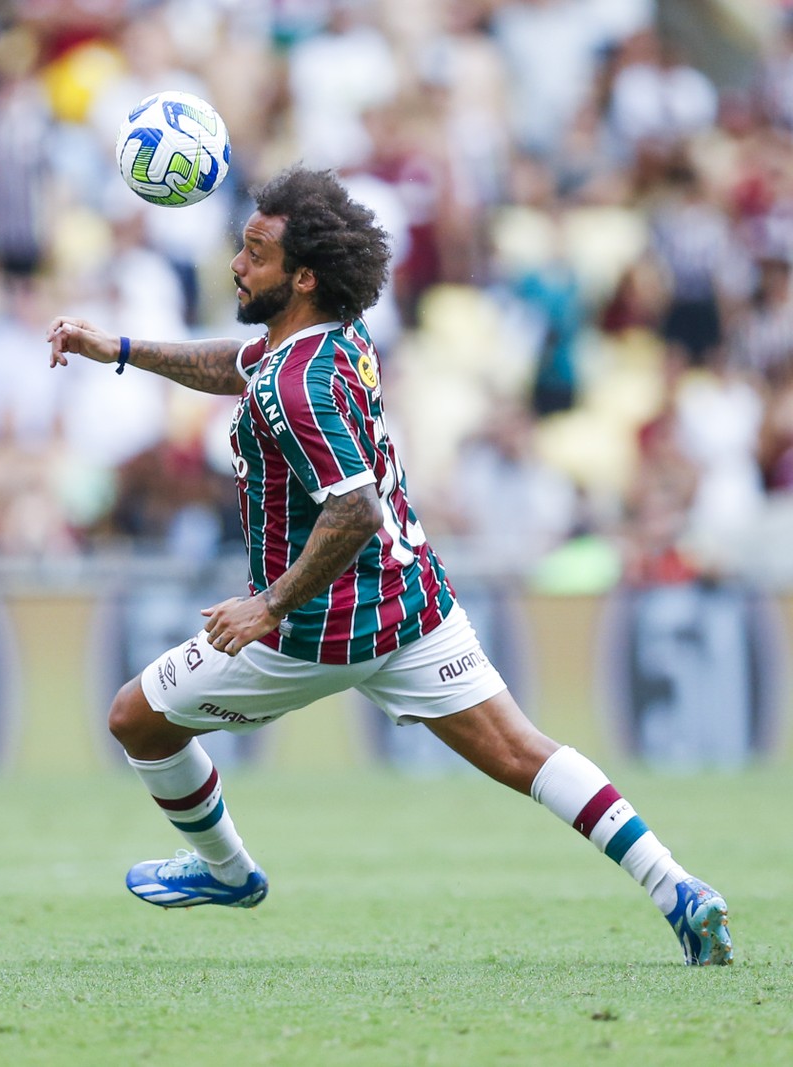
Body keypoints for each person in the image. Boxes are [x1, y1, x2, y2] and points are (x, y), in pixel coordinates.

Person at [46, 167, 732, 966]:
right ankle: (678, 887)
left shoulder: (295, 386)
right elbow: (236, 367)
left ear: (302, 276)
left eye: (255, 252)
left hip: (316, 627)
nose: (237, 263)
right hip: (411, 601)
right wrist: (121, 349)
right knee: (524, 752)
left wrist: (267, 605)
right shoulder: (330, 339)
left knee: (135, 718)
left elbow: (354, 506)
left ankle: (227, 871)